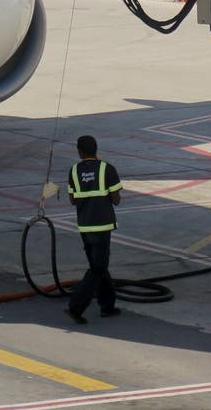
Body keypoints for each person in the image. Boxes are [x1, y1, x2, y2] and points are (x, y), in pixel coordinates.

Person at [65, 135, 123, 324]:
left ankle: (107, 306)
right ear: (96, 149)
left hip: (84, 227)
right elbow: (116, 199)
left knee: (99, 266)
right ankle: (76, 306)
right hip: (102, 226)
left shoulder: (74, 171)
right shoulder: (107, 169)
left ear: (79, 152)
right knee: (98, 268)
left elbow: (73, 200)